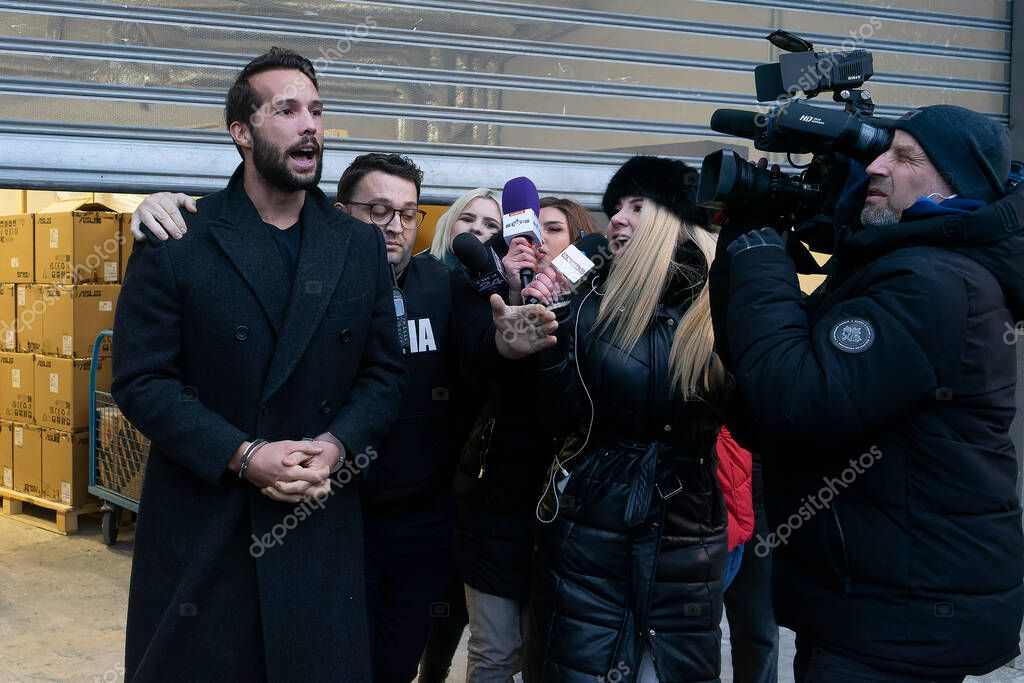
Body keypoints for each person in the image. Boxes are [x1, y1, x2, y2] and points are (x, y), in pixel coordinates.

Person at [130, 154, 556, 683]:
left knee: (394, 664)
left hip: (416, 524)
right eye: (378, 211)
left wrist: (507, 342)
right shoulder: (310, 282)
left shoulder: (445, 287)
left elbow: (480, 350)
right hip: (322, 516)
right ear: (340, 211)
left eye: (407, 214)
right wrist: (160, 207)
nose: (394, 227)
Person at [111, 48, 408, 681]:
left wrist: (336, 443)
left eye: (318, 112)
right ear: (241, 133)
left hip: (315, 524)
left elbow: (385, 374)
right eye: (287, 110)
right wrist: (242, 455)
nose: (310, 126)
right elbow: (141, 380)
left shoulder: (355, 244)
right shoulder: (179, 236)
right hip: (205, 532)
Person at [711, 104, 1024, 681]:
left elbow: (797, 398)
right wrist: (743, 245)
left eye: (904, 157)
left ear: (955, 184)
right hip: (867, 603)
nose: (876, 166)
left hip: (901, 621)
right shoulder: (906, 267)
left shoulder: (933, 283)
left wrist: (762, 261)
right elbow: (763, 396)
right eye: (883, 150)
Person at [520, 156, 730, 682]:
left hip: (688, 529)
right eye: (614, 207)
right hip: (592, 526)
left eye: (637, 206)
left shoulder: (721, 307)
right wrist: (539, 342)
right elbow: (556, 415)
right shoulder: (589, 297)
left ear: (674, 219)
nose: (616, 218)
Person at [503, 196, 593, 305]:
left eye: (553, 229)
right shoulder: (498, 291)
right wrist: (515, 292)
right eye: (532, 232)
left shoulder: (598, 294)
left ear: (578, 239)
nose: (539, 239)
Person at [429, 188, 503, 269]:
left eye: (490, 225)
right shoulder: (420, 271)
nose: (476, 228)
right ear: (449, 223)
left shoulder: (512, 277)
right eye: (467, 219)